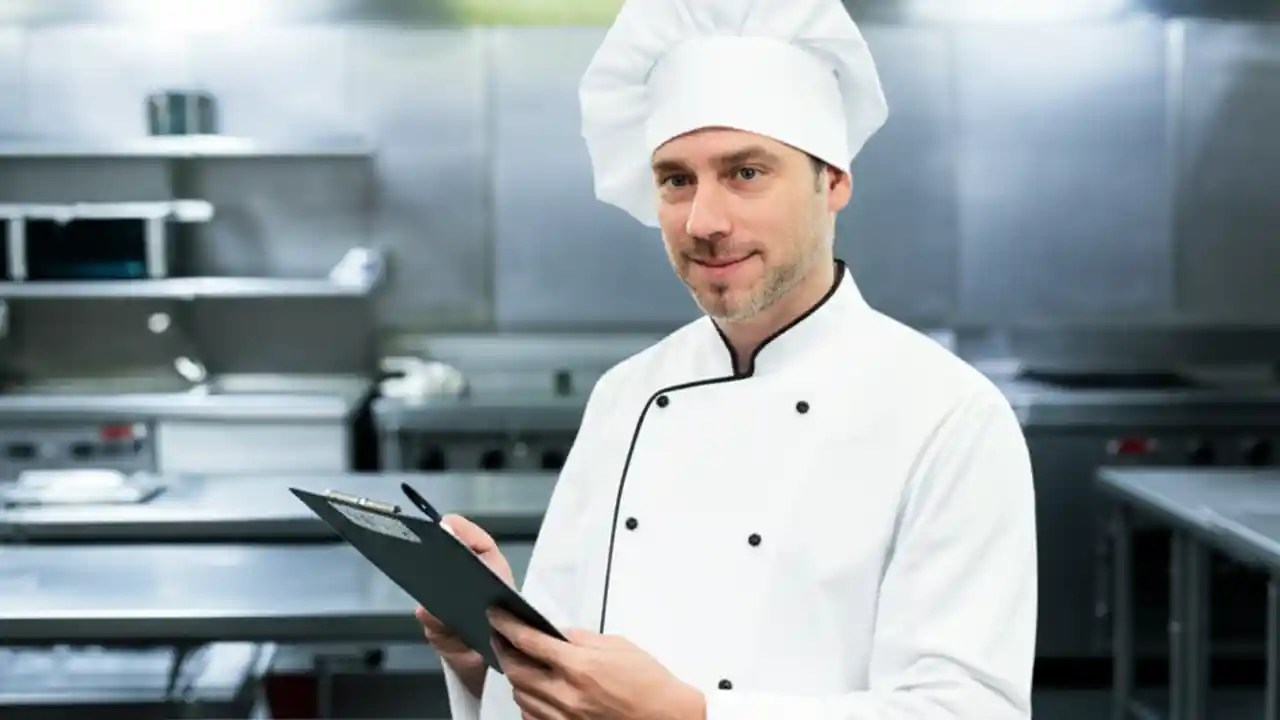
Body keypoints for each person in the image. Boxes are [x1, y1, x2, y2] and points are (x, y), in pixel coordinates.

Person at [416, 0, 1038, 717]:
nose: (703, 221)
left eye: (745, 172)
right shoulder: (626, 394)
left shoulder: (949, 416)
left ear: (833, 181)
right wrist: (485, 653)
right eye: (676, 179)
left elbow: (966, 710)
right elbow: (562, 679)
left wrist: (688, 714)